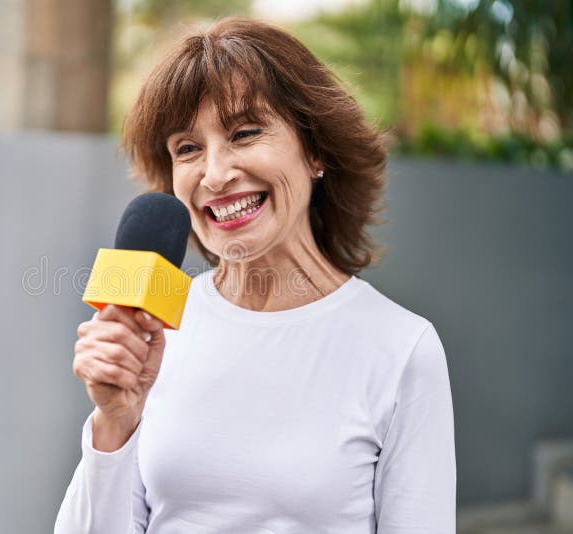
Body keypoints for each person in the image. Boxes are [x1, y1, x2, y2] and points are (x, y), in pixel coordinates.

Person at [55, 17, 456, 534]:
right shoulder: (153, 332)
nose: (216, 175)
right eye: (187, 149)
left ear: (314, 151)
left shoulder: (402, 348)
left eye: (244, 133)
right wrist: (116, 421)